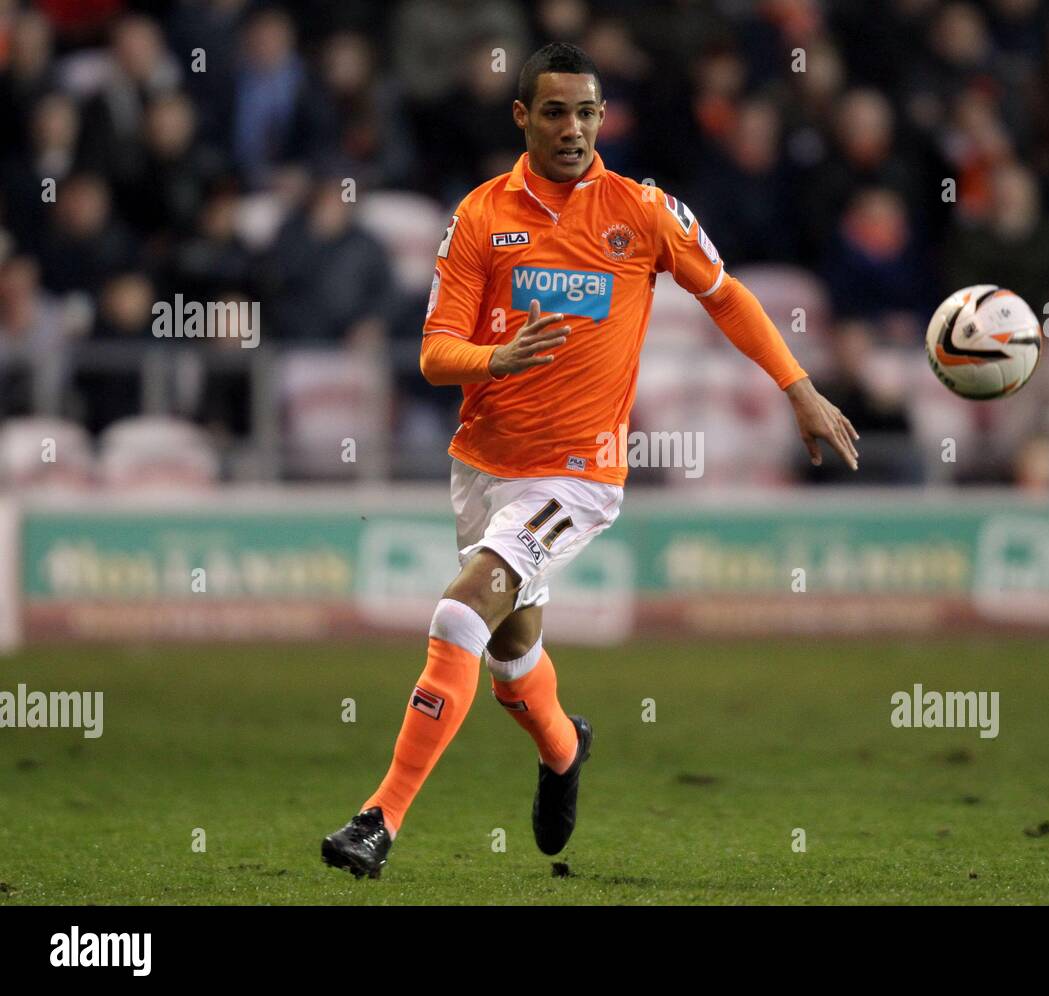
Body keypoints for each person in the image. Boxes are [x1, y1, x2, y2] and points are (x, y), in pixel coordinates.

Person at [321, 42, 859, 879]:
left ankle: (377, 819)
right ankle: (566, 748)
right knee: (509, 656)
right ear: (522, 118)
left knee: (461, 613)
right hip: (483, 464)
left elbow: (727, 295)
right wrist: (492, 361)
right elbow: (433, 354)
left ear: (603, 117)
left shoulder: (643, 212)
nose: (573, 129)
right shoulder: (478, 217)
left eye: (586, 112)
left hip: (579, 472)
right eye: (554, 112)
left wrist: (798, 387)